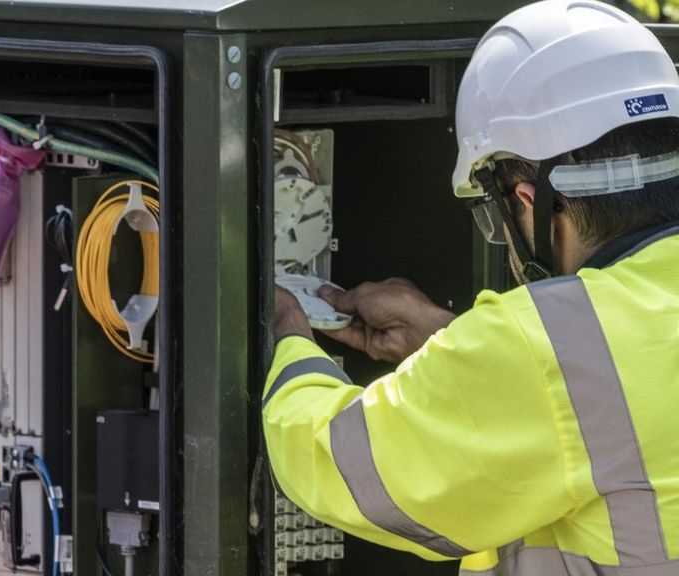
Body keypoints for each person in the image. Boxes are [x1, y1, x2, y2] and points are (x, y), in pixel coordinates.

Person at [264, 1, 679, 575]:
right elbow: (607, 397)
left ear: (528, 203)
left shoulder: (546, 345)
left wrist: (286, 333)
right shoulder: (580, 348)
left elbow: (338, 461)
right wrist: (454, 344)